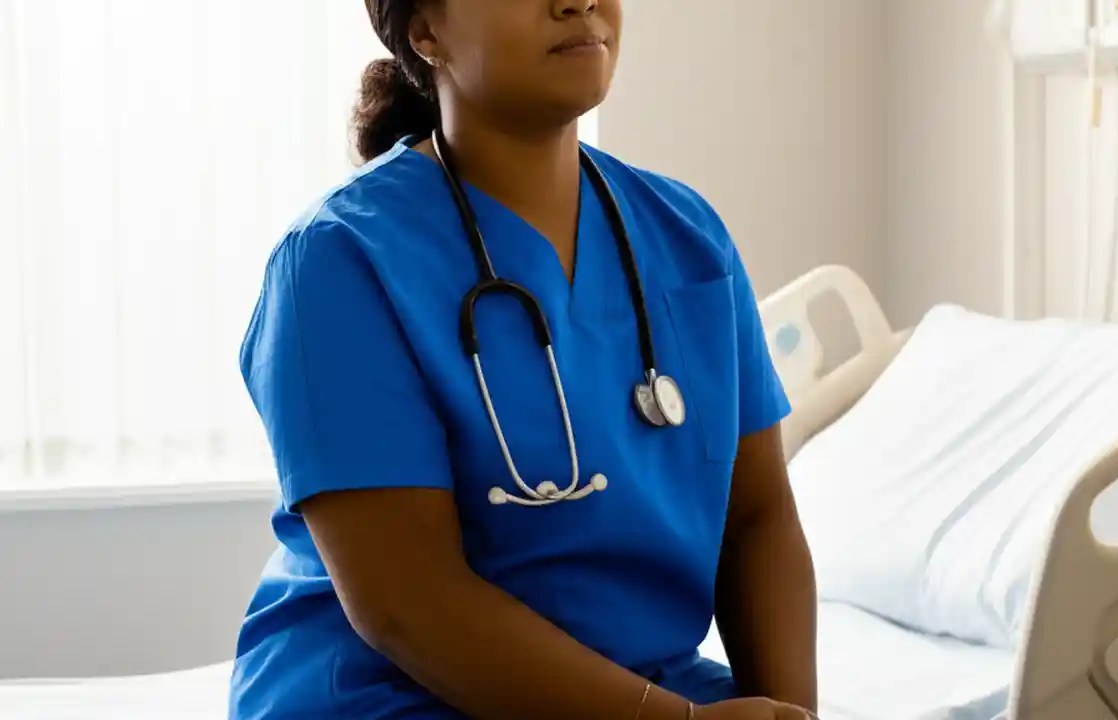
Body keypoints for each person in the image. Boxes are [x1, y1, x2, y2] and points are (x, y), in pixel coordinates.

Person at [228, 0, 817, 718]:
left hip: (649, 693)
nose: (579, 1)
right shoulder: (339, 261)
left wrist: (791, 712)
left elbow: (756, 517)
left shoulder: (686, 237)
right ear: (425, 30)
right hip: (392, 698)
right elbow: (406, 601)